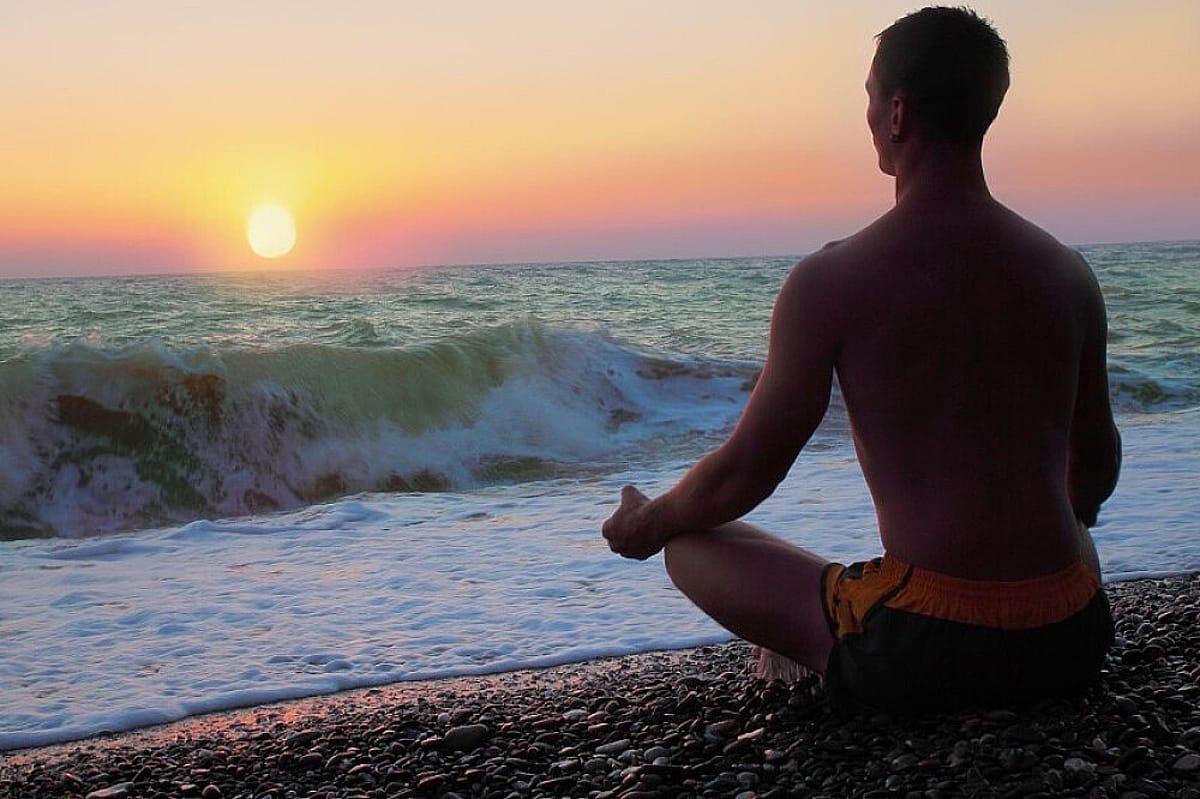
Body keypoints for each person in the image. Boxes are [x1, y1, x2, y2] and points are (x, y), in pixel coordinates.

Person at [601, 6, 1120, 714]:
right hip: (1072, 634)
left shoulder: (833, 279)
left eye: (871, 97)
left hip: (925, 652)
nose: (869, 116)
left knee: (687, 546)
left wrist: (651, 519)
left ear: (897, 112)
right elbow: (1095, 467)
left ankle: (813, 641)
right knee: (1067, 540)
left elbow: (748, 470)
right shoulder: (1067, 273)